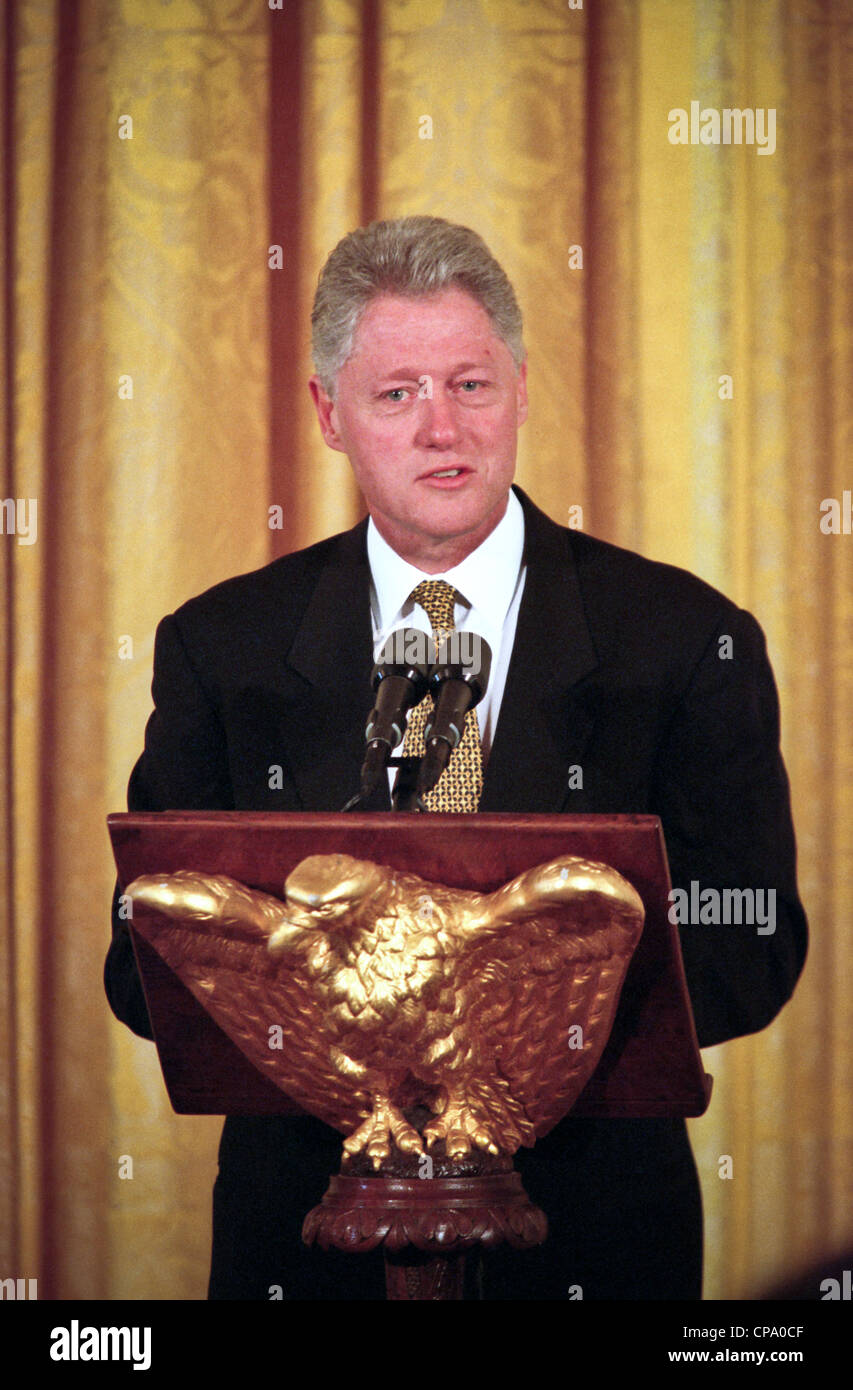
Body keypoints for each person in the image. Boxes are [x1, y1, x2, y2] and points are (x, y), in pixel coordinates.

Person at [105, 215, 807, 1300]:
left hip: (593, 1231)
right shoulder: (221, 645)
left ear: (521, 388)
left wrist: (503, 1020)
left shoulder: (683, 638)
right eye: (396, 394)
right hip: (302, 1235)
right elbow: (142, 968)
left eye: (470, 385)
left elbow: (753, 947)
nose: (441, 428)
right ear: (329, 414)